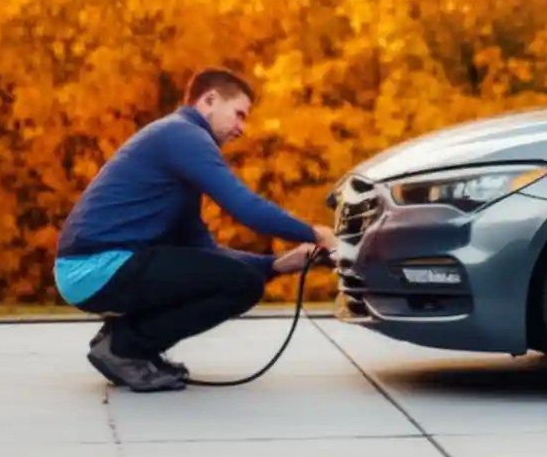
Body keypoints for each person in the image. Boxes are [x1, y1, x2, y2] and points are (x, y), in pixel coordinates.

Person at [53, 67, 341, 392]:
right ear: (209, 100)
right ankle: (124, 347)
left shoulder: (176, 147)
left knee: (233, 276)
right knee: (241, 285)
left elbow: (203, 250)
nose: (242, 129)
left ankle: (127, 342)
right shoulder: (183, 134)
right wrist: (315, 233)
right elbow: (243, 205)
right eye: (239, 115)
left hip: (99, 268)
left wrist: (274, 265)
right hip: (97, 267)